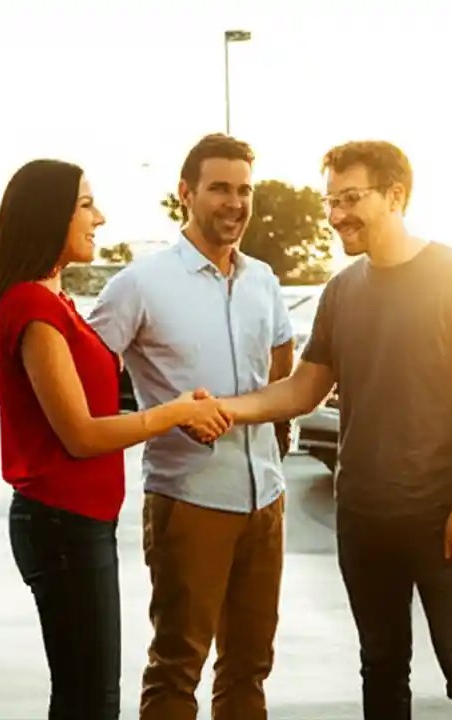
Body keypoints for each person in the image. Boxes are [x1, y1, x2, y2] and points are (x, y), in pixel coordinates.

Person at [217, 140, 452, 720]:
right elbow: (303, 390)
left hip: (441, 515)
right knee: (380, 664)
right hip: (362, 517)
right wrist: (226, 409)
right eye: (331, 201)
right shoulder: (342, 291)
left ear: (395, 196)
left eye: (351, 199)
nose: (336, 215)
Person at [0, 158, 233, 720]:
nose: (100, 218)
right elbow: (81, 435)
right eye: (87, 205)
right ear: (50, 215)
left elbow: (90, 413)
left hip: (76, 524)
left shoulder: (55, 302)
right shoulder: (32, 307)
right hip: (60, 525)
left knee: (87, 698)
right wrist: (174, 413)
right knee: (90, 702)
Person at [86, 134, 296, 720]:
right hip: (189, 500)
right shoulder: (139, 284)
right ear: (186, 193)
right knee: (177, 667)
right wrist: (154, 421)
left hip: (265, 499)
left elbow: (282, 358)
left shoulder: (263, 279)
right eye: (220, 188)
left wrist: (274, 429)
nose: (236, 203)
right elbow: (84, 379)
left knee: (250, 666)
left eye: (245, 190)